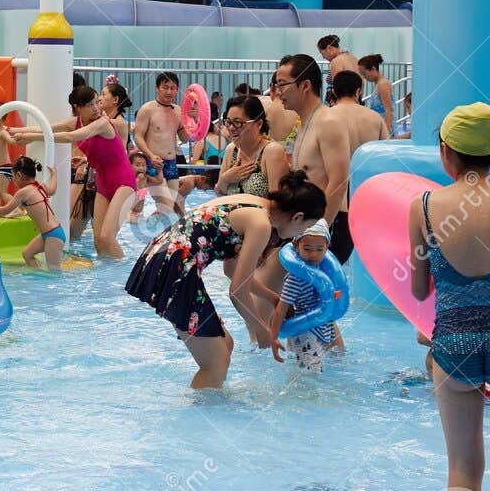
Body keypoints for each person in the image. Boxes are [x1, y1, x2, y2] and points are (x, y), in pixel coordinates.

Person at [122, 172, 326, 389]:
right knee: (215, 364)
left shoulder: (256, 205)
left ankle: (211, 402)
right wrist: (262, 330)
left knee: (225, 345)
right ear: (297, 217)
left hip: (162, 258)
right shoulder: (261, 224)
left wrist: (273, 299)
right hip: (174, 268)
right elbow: (237, 291)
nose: (298, 235)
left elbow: (232, 271)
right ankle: (201, 409)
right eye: (304, 228)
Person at [408, 103, 490, 491]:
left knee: (463, 463)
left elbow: (418, 291)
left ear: (446, 152)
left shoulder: (424, 207)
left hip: (453, 343)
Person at [14, 85, 137, 260]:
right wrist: (13, 131)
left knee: (106, 238)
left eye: (97, 102)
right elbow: (46, 128)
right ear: (77, 108)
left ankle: (126, 273)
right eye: (90, 105)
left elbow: (71, 137)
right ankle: (105, 275)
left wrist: (31, 138)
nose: (96, 108)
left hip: (123, 181)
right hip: (103, 182)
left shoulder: (102, 123)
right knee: (98, 242)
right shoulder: (76, 123)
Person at [272, 54, 352, 264]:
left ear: (305, 85)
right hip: (307, 225)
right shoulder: (305, 122)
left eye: (282, 84)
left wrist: (320, 230)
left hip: (327, 225)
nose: (278, 91)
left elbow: (339, 180)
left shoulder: (329, 121)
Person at [266, 220, 344, 374]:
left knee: (309, 371)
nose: (313, 254)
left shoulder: (325, 271)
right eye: (307, 248)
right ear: (296, 246)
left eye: (319, 249)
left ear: (327, 247)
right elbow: (281, 309)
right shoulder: (296, 278)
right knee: (310, 375)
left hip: (323, 328)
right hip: (305, 332)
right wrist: (274, 338)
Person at [0, 156, 62, 270]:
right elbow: (52, 190)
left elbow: (5, 210)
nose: (13, 181)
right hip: (51, 232)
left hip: (52, 235)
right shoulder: (40, 185)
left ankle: (45, 276)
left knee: (54, 271)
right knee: (27, 254)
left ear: (18, 175)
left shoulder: (23, 192)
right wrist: (54, 174)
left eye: (13, 177)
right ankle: (40, 273)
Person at [132, 71, 188, 217]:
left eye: (173, 88)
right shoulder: (147, 109)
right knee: (167, 206)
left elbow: (184, 138)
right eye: (165, 87)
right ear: (157, 88)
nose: (169, 91)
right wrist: (150, 156)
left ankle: (154, 226)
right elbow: (138, 136)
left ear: (177, 90)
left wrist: (192, 123)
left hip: (171, 163)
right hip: (153, 163)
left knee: (169, 207)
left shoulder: (179, 111)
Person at [214, 94, 288, 198]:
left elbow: (278, 202)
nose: (231, 128)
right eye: (228, 122)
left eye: (238, 122)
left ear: (259, 124)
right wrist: (225, 179)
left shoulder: (272, 151)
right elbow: (220, 193)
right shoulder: (232, 149)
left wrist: (248, 204)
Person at [327, 70, 390, 156]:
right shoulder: (376, 117)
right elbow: (386, 150)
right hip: (368, 164)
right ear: (358, 91)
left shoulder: (325, 116)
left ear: (334, 92)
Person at [357, 54, 395, 136]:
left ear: (373, 69)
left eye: (364, 73)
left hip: (385, 128)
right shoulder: (378, 84)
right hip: (380, 127)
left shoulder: (383, 84)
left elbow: (389, 110)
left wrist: (386, 133)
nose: (364, 77)